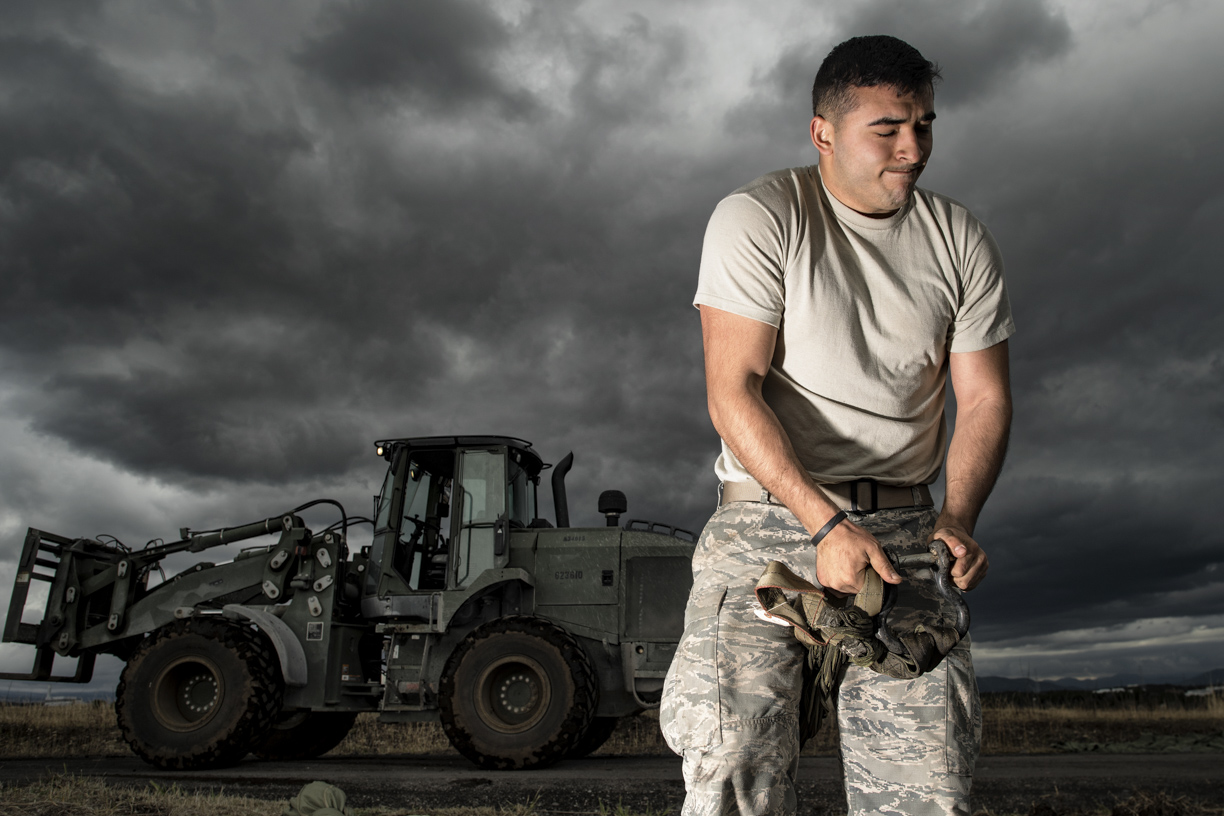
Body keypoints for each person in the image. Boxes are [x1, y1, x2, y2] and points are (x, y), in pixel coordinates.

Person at [660, 35, 1014, 816]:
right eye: (887, 128)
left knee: (926, 793)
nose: (913, 147)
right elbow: (733, 391)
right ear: (823, 131)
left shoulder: (960, 239)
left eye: (925, 124)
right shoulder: (758, 217)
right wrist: (823, 526)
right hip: (770, 520)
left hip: (905, 530)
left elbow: (984, 398)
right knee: (733, 769)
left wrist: (958, 515)